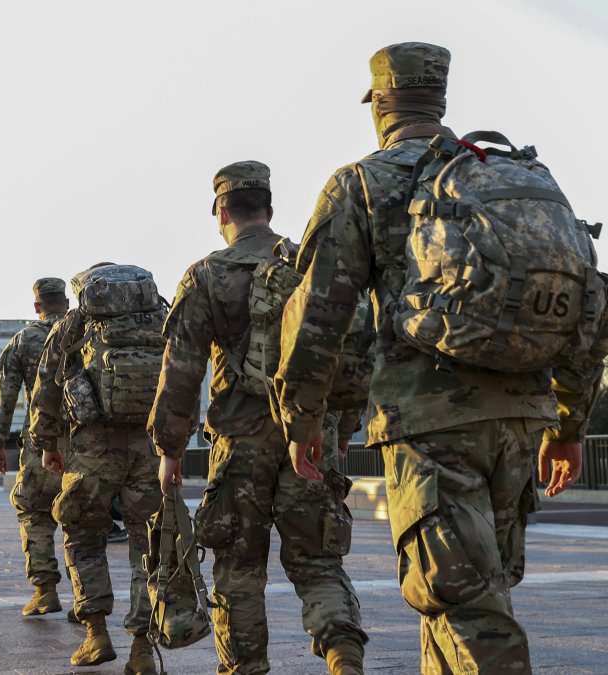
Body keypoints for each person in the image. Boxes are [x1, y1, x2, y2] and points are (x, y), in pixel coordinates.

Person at [273, 42, 605, 673]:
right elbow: (586, 306)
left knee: (464, 603)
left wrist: (303, 418)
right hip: (520, 421)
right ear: (440, 100)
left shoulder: (363, 183)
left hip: (428, 426)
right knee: (468, 594)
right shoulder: (514, 179)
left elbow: (318, 314)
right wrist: (566, 427)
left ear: (379, 104)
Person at [148, 161, 367, 674]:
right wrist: (338, 430)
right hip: (311, 435)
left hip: (239, 444)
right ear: (269, 208)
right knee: (318, 562)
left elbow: (181, 370)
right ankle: (343, 655)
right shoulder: (310, 266)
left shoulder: (207, 275)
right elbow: (354, 354)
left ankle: (245, 669)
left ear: (222, 210)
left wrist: (170, 450)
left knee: (238, 570)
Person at [29, 263, 164, 672]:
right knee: (149, 544)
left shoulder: (76, 322)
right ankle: (142, 644)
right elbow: (183, 376)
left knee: (83, 535)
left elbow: (47, 384)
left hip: (92, 448)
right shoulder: (160, 316)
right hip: (149, 447)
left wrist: (45, 443)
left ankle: (96, 634)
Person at [0, 277, 70, 617]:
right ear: (65, 302)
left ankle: (45, 589)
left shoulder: (24, 340)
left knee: (33, 510)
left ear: (37, 306)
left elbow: (4, 396)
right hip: (89, 439)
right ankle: (88, 600)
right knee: (83, 520)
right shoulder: (88, 332)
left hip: (41, 440)